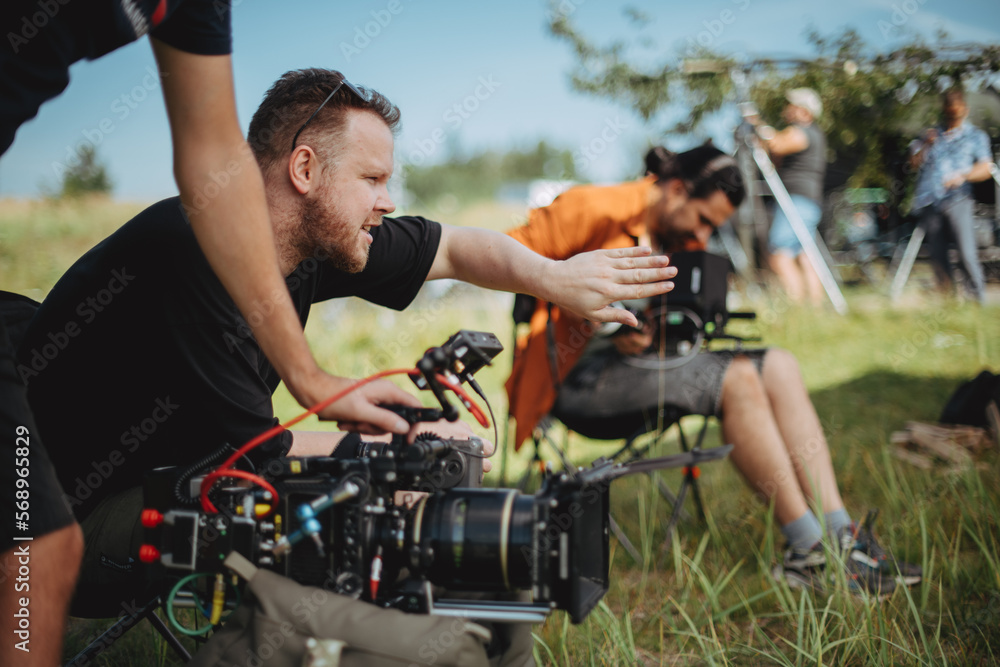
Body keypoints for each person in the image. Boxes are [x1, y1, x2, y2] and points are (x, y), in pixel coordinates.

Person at [19, 67, 674, 638]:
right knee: (351, 497)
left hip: (173, 471)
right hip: (61, 529)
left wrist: (553, 278)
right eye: (372, 178)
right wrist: (413, 449)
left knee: (398, 464)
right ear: (304, 170)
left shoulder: (300, 242)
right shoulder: (191, 253)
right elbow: (261, 460)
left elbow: (456, 247)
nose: (387, 201)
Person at [505, 144, 921, 596]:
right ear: (678, 190)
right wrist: (579, 302)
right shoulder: (594, 207)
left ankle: (841, 534)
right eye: (703, 220)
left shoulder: (678, 234)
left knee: (778, 364)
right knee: (738, 377)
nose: (703, 234)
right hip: (576, 380)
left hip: (643, 365)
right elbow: (508, 255)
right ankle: (808, 552)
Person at [909, 88, 994, 303]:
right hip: (930, 200)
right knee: (937, 256)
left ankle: (977, 301)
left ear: (964, 110)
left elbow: (986, 167)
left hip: (958, 199)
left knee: (966, 253)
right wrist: (926, 144)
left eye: (956, 113)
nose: (952, 116)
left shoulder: (975, 136)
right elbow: (912, 163)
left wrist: (963, 175)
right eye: (948, 112)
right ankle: (948, 303)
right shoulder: (931, 134)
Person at [754, 88, 827, 305]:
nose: (787, 109)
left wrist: (757, 125)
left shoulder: (802, 131)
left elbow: (776, 143)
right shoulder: (812, 133)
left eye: (792, 105)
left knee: (779, 252)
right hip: (805, 201)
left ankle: (796, 305)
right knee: (805, 255)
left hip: (797, 201)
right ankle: (815, 308)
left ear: (804, 112)